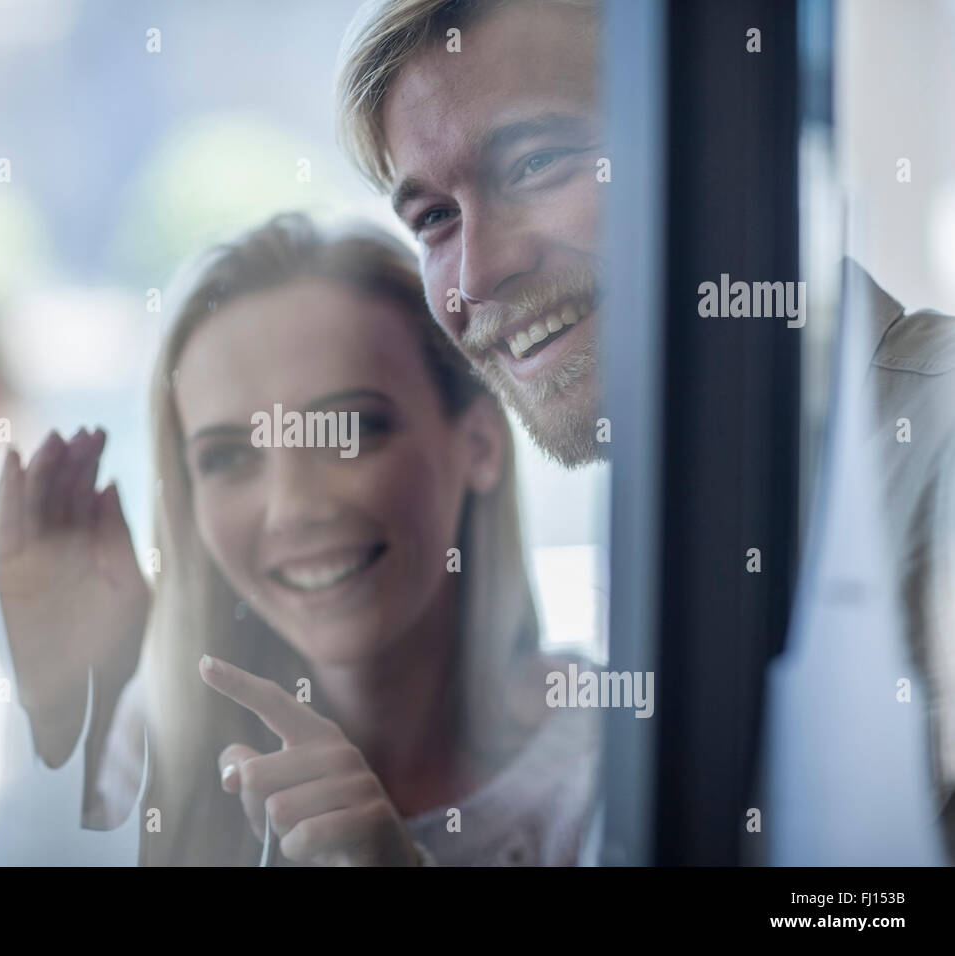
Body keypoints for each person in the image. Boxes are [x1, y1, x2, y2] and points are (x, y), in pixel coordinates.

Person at [335, 0, 955, 854]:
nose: (479, 270)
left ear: (718, 138)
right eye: (435, 217)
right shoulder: (686, 507)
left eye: (539, 161)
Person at [0, 212, 599, 865]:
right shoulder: (148, 750)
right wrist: (61, 716)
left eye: (348, 431)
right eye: (227, 457)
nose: (290, 511)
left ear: (478, 443)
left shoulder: (614, 765)